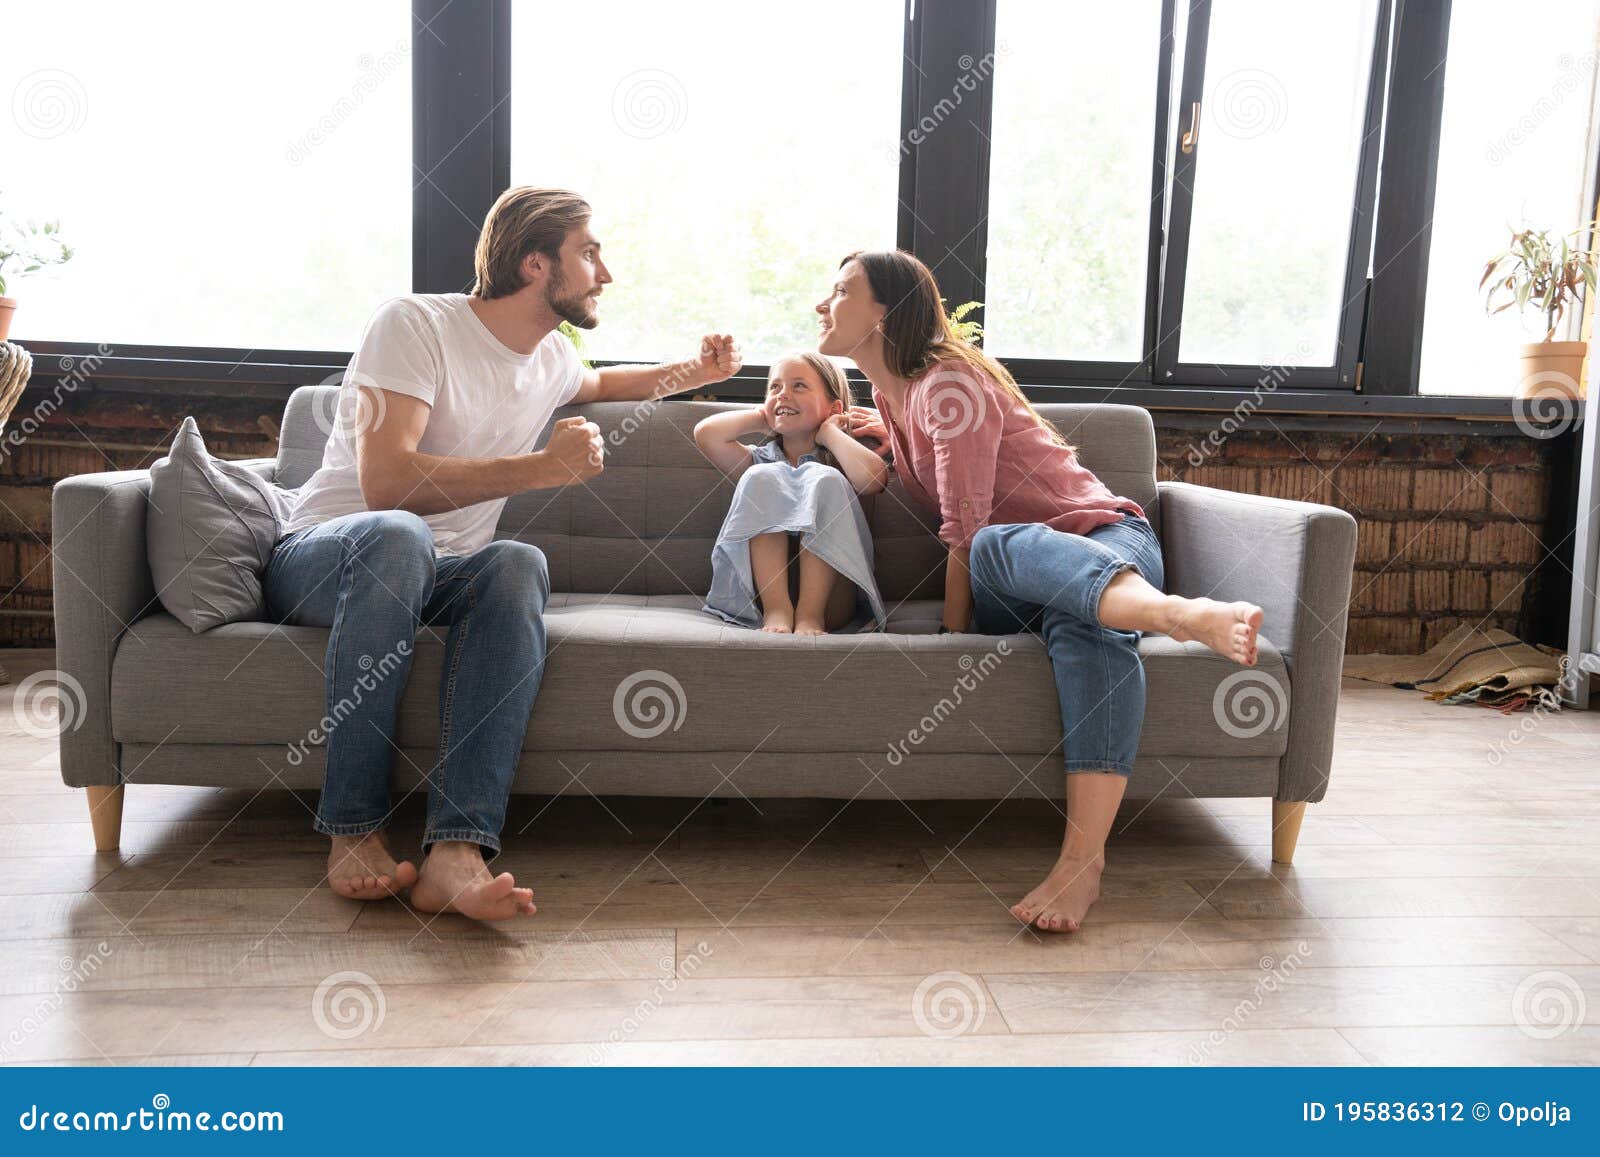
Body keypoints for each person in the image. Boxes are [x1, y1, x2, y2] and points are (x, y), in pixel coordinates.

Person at [264, 186, 742, 920]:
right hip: (330, 558)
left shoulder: (550, 357)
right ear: (533, 263)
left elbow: (605, 381)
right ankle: (353, 826)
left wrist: (695, 374)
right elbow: (387, 484)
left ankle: (455, 852)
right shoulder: (414, 325)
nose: (606, 273)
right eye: (590, 253)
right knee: (400, 535)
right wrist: (541, 468)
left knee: (517, 563)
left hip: (435, 575)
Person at [821, 249, 1262, 933]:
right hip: (1019, 574)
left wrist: (954, 636)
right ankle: (1173, 615)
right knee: (1002, 547)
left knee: (1070, 607)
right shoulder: (891, 397)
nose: (823, 303)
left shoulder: (948, 384)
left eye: (842, 290)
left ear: (886, 312)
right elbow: (964, 514)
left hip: (1107, 540)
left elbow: (965, 529)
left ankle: (1082, 864)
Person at [694, 352, 888, 634]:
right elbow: (707, 434)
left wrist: (830, 433)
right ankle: (778, 609)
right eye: (775, 387)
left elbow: (873, 481)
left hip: (834, 604)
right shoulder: (758, 463)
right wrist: (763, 417)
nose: (783, 394)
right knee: (763, 476)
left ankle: (810, 614)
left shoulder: (841, 459)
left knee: (823, 478)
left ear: (834, 408)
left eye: (799, 386)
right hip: (763, 605)